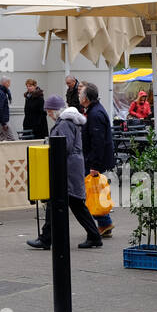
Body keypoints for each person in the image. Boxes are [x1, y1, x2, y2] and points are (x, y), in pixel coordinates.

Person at [27, 94, 102, 250]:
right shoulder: (68, 122)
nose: (48, 114)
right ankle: (94, 236)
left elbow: (63, 147)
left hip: (65, 169)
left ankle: (46, 239)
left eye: (49, 110)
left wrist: (49, 151)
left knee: (54, 203)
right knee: (75, 204)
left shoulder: (64, 124)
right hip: (71, 168)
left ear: (55, 110)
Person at [80, 82, 115, 238]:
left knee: (93, 192)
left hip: (94, 161)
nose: (78, 96)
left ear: (86, 98)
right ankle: (104, 223)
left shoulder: (95, 114)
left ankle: (104, 222)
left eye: (81, 94)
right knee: (94, 191)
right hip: (93, 159)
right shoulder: (94, 111)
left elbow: (98, 141)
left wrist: (94, 164)